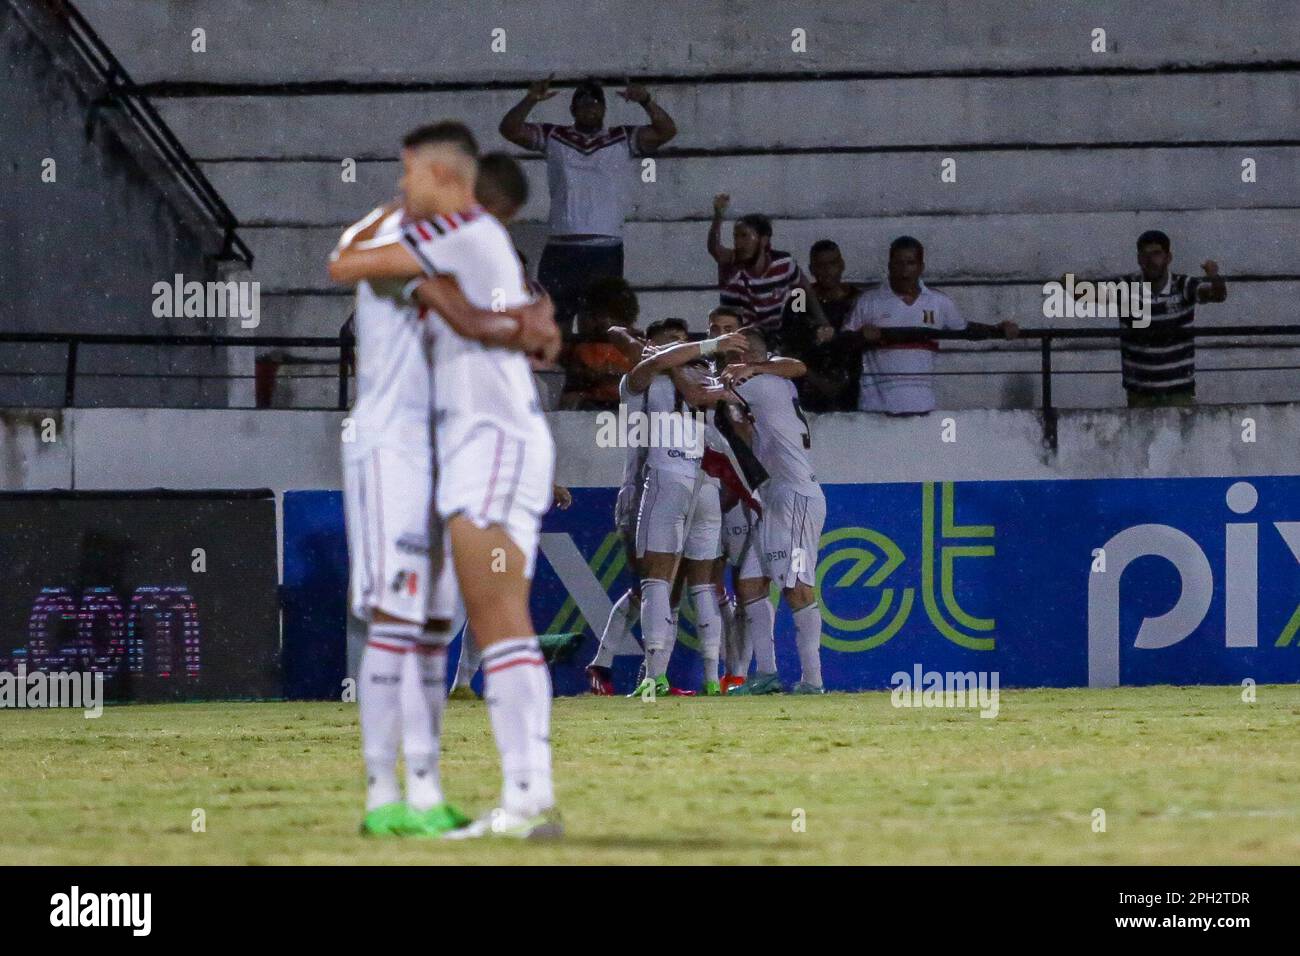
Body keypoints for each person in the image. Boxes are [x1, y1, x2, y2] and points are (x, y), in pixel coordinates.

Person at [328, 121, 564, 840]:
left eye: (412, 172)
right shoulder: (441, 239)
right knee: (422, 622)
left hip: (477, 443)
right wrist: (529, 320)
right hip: (407, 448)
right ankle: (398, 795)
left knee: (478, 616)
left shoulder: (458, 232)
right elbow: (351, 262)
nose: (402, 184)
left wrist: (505, 319)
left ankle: (509, 796)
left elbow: (347, 266)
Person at [621, 326, 748, 697]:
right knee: (704, 585)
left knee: (656, 580)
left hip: (667, 476)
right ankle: (713, 677)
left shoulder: (645, 379)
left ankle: (653, 677)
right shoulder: (701, 378)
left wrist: (702, 349)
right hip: (703, 481)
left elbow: (649, 356)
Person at [500, 76, 678, 331]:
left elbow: (667, 131)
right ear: (572, 109)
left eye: (595, 102)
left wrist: (646, 101)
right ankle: (554, 372)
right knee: (554, 321)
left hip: (604, 246)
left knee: (599, 323)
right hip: (563, 243)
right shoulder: (555, 136)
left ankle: (590, 371)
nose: (590, 107)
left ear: (605, 108)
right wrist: (530, 99)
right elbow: (510, 129)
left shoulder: (621, 137)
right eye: (582, 102)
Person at [716, 327, 825, 694]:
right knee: (749, 582)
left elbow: (705, 397)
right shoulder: (772, 380)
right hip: (774, 495)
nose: (725, 365)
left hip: (794, 496)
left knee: (796, 586)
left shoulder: (759, 385)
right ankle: (766, 674)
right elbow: (794, 367)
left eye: (731, 357)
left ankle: (813, 680)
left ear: (748, 360)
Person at [843, 236, 1017, 415]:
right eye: (898, 263)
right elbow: (842, 342)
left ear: (921, 267)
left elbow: (965, 329)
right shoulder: (868, 301)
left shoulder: (939, 302)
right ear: (889, 266)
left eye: (910, 263)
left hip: (923, 407)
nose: (904, 270)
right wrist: (861, 336)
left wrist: (998, 329)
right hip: (875, 409)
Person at [707, 194, 831, 352]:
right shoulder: (732, 263)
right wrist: (718, 215)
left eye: (745, 236)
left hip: (777, 333)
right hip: (741, 336)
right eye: (735, 237)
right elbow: (714, 249)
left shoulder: (783, 263)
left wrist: (823, 324)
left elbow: (804, 289)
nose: (738, 243)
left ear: (763, 240)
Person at [1118, 229, 1228, 407]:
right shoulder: (1126, 287)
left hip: (1178, 391)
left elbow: (1217, 295)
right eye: (1145, 255)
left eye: (1156, 254)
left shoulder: (1183, 285)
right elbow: (1088, 295)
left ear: (1168, 257)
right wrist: (1070, 284)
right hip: (1140, 392)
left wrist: (1214, 277)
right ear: (1139, 259)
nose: (1151, 261)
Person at [800, 239, 864, 412]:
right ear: (812, 269)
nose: (827, 271)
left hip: (851, 388)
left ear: (842, 265)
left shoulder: (859, 299)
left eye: (833, 263)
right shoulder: (800, 300)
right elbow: (790, 345)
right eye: (820, 265)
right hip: (810, 390)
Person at [559, 277, 641, 410]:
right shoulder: (572, 347)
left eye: (588, 314)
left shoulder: (639, 346)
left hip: (630, 413)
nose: (582, 321)